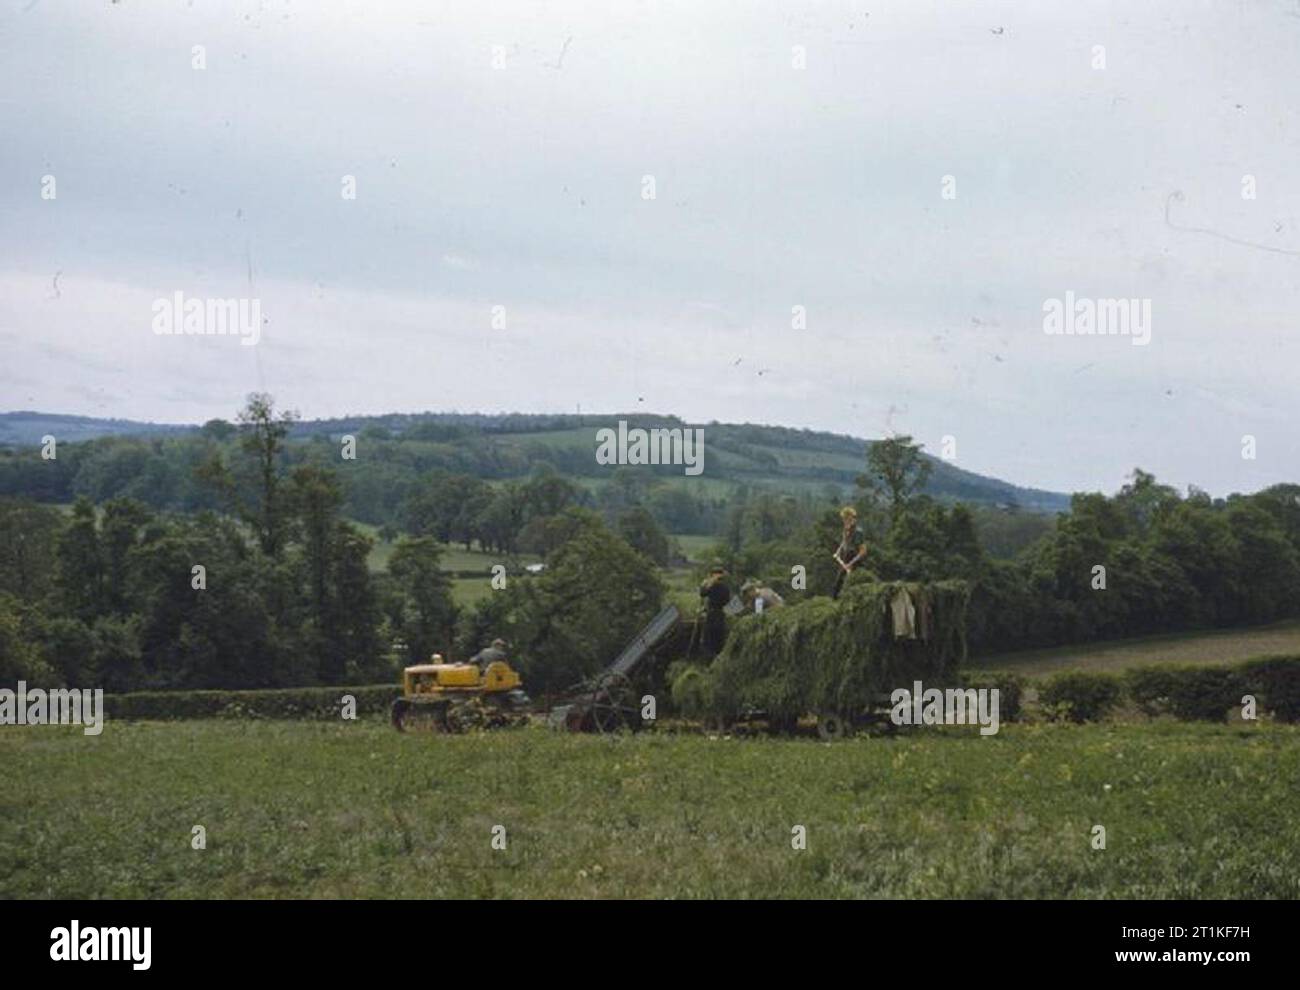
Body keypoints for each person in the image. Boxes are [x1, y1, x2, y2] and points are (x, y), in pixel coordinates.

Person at [831, 506, 868, 599]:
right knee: (837, 587)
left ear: (851, 519)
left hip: (855, 563)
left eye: (846, 519)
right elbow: (844, 542)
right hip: (845, 560)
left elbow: (863, 551)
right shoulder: (846, 530)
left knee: (852, 587)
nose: (845, 521)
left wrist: (851, 564)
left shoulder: (858, 532)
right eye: (844, 519)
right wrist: (838, 551)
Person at [698, 563, 732, 656]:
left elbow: (702, 593)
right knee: (717, 639)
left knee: (710, 639)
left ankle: (711, 659)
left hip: (713, 615)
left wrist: (708, 583)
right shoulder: (725, 587)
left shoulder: (714, 586)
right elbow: (727, 602)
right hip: (720, 615)